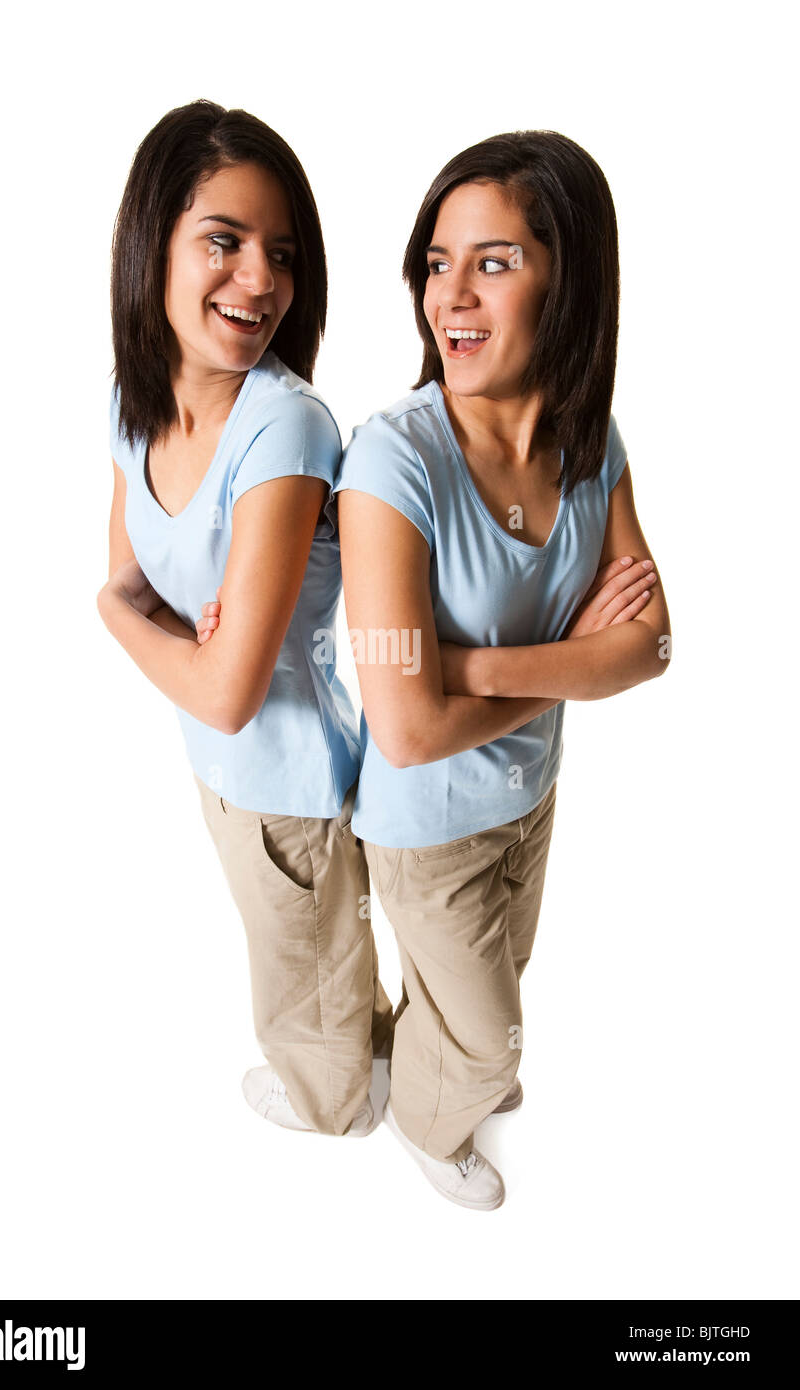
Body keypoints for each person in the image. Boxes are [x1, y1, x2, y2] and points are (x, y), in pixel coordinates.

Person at [333, 131, 671, 1210]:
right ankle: (431, 1116)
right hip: (425, 825)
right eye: (437, 262)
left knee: (492, 980)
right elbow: (405, 728)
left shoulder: (590, 442)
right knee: (493, 1042)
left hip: (528, 797)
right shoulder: (393, 459)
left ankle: (431, 1045)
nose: (451, 297)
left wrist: (470, 664)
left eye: (494, 260)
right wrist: (579, 662)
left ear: (569, 277)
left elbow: (652, 644)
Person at [97, 100, 394, 1144]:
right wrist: (183, 636)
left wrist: (127, 622)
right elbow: (143, 581)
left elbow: (219, 684)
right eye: (222, 242)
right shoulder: (134, 400)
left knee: (294, 971)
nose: (261, 281)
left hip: (286, 780)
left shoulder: (285, 427)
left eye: (281, 252)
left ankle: (337, 1107)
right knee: (312, 952)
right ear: (154, 245)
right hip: (222, 767)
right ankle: (379, 1053)